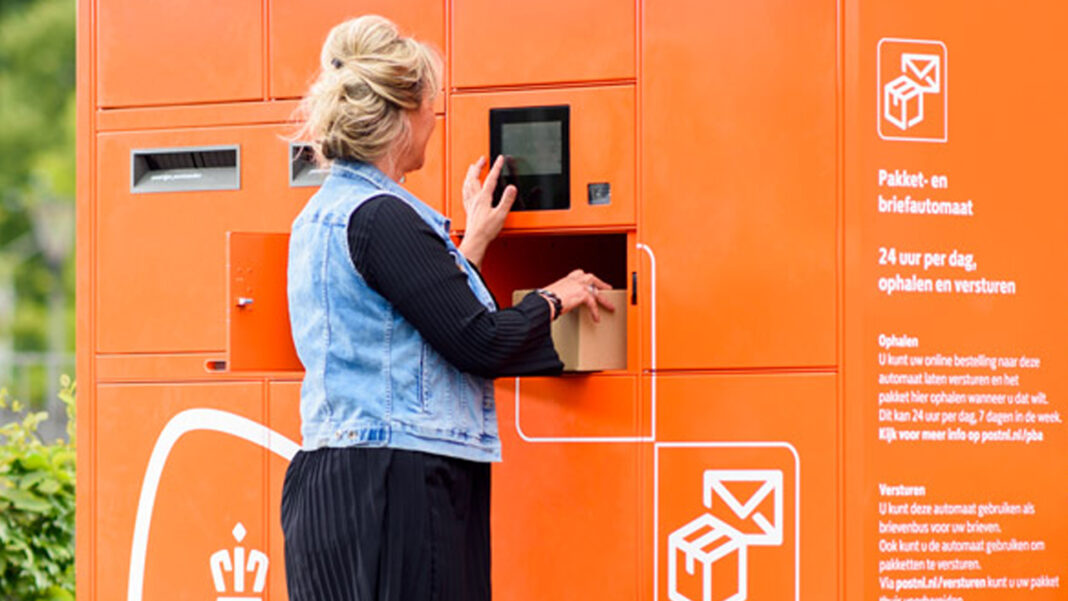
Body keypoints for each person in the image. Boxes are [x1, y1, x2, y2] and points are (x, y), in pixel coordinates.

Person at [281, 15, 614, 601]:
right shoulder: (384, 217)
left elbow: (405, 318)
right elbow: (478, 341)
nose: (437, 118)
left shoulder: (322, 216)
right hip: (399, 490)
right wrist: (555, 297)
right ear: (406, 112)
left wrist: (473, 241)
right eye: (432, 103)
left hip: (331, 487)